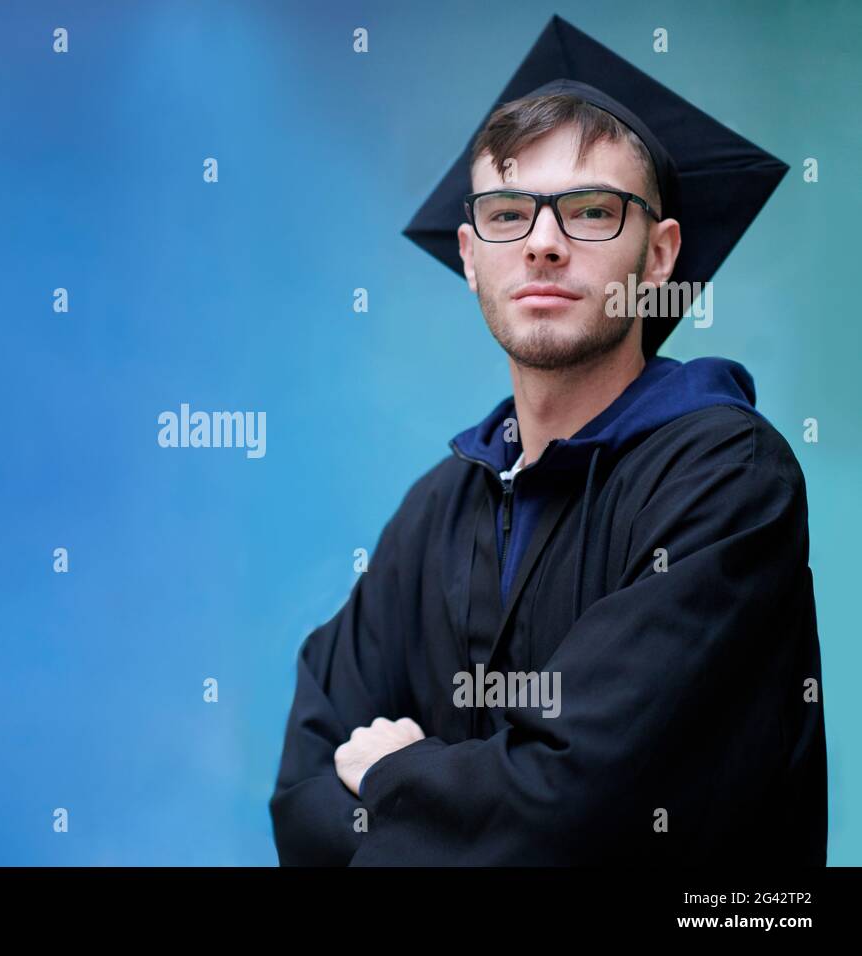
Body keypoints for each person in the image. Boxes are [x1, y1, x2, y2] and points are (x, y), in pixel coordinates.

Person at [268, 15, 827, 866]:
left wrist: (393, 777)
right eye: (506, 213)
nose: (542, 242)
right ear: (470, 253)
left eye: (593, 210)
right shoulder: (433, 513)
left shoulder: (726, 478)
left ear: (661, 253)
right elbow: (302, 804)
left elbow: (576, 811)